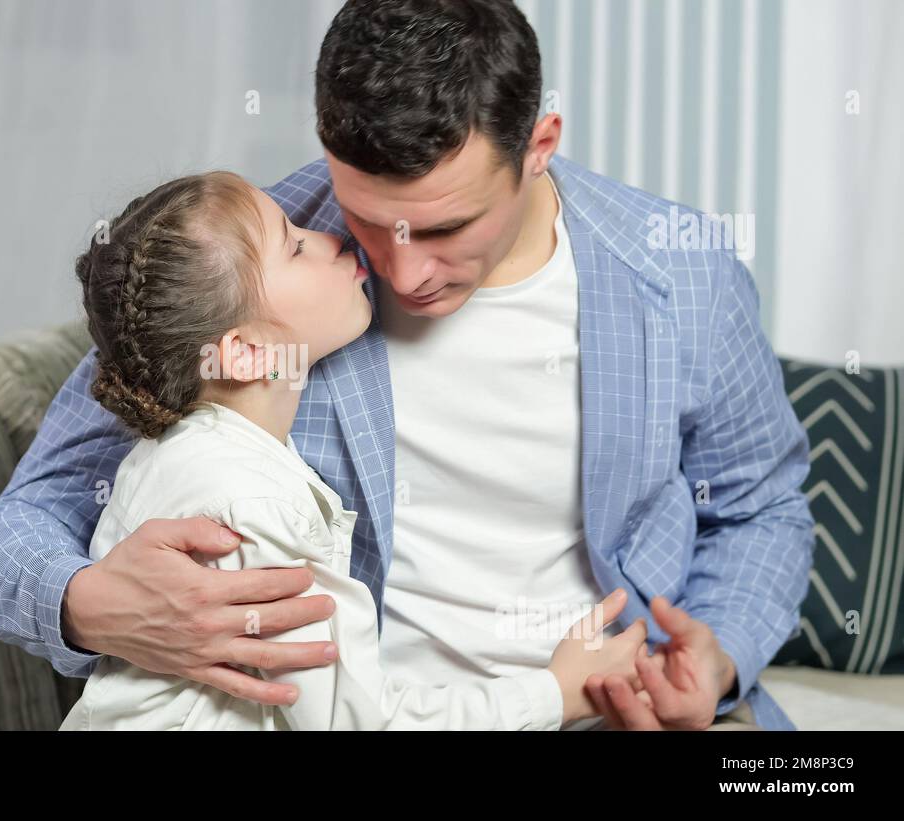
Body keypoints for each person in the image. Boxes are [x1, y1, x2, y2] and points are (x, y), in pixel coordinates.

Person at [0, 0, 814, 731]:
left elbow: (762, 508)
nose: (402, 274)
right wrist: (87, 603)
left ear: (539, 143)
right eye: (368, 219)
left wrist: (719, 653)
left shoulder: (682, 273)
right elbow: (23, 519)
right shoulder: (247, 279)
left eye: (445, 229)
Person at [52, 169, 648, 730]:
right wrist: (555, 691)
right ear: (246, 352)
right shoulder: (251, 507)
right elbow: (362, 722)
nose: (328, 237)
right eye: (293, 246)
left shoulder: (171, 462)